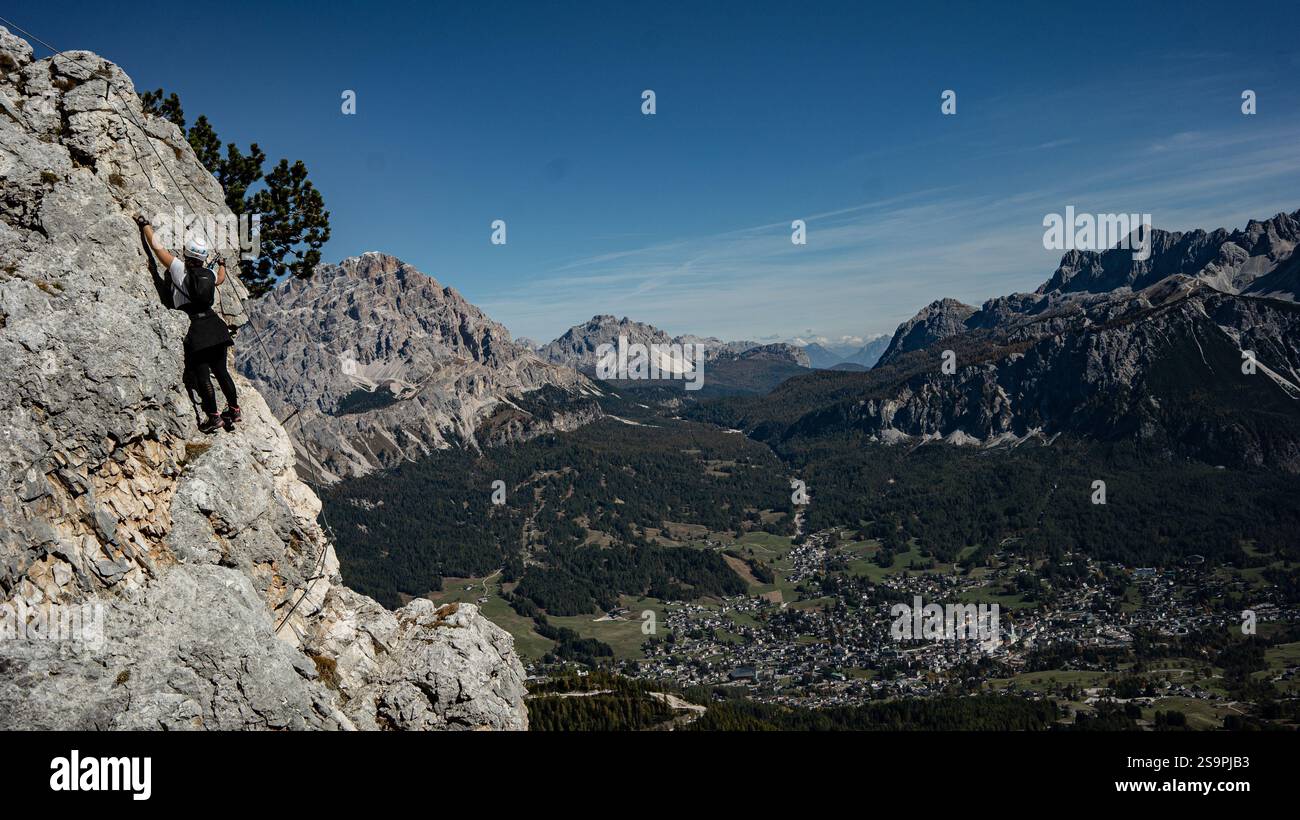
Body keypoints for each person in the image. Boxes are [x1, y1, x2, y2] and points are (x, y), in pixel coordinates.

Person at [136, 214, 241, 434]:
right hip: (216, 326)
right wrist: (222, 264)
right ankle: (234, 410)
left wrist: (145, 225)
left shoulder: (179, 269)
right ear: (203, 258)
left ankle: (213, 417)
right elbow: (220, 279)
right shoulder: (210, 274)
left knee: (203, 375)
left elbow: (157, 249)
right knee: (221, 371)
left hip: (196, 328)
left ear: (186, 254)